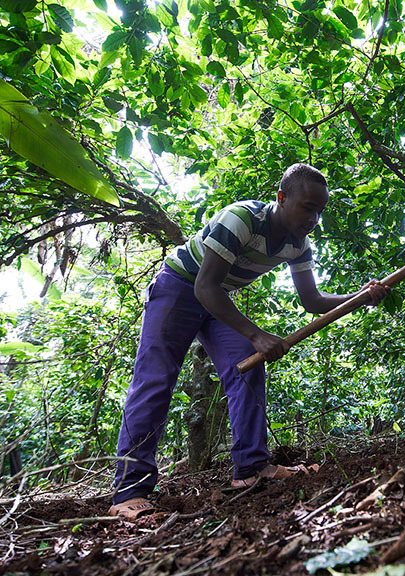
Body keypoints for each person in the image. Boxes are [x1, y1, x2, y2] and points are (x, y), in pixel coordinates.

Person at [109, 163, 390, 519]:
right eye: (307, 207)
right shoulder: (240, 219)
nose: (313, 219)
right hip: (178, 288)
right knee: (156, 381)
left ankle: (251, 469)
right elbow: (203, 287)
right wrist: (257, 334)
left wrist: (361, 296)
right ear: (282, 198)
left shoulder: (298, 245)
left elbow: (312, 301)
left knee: (247, 367)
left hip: (217, 299)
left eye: (320, 211)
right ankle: (129, 491)